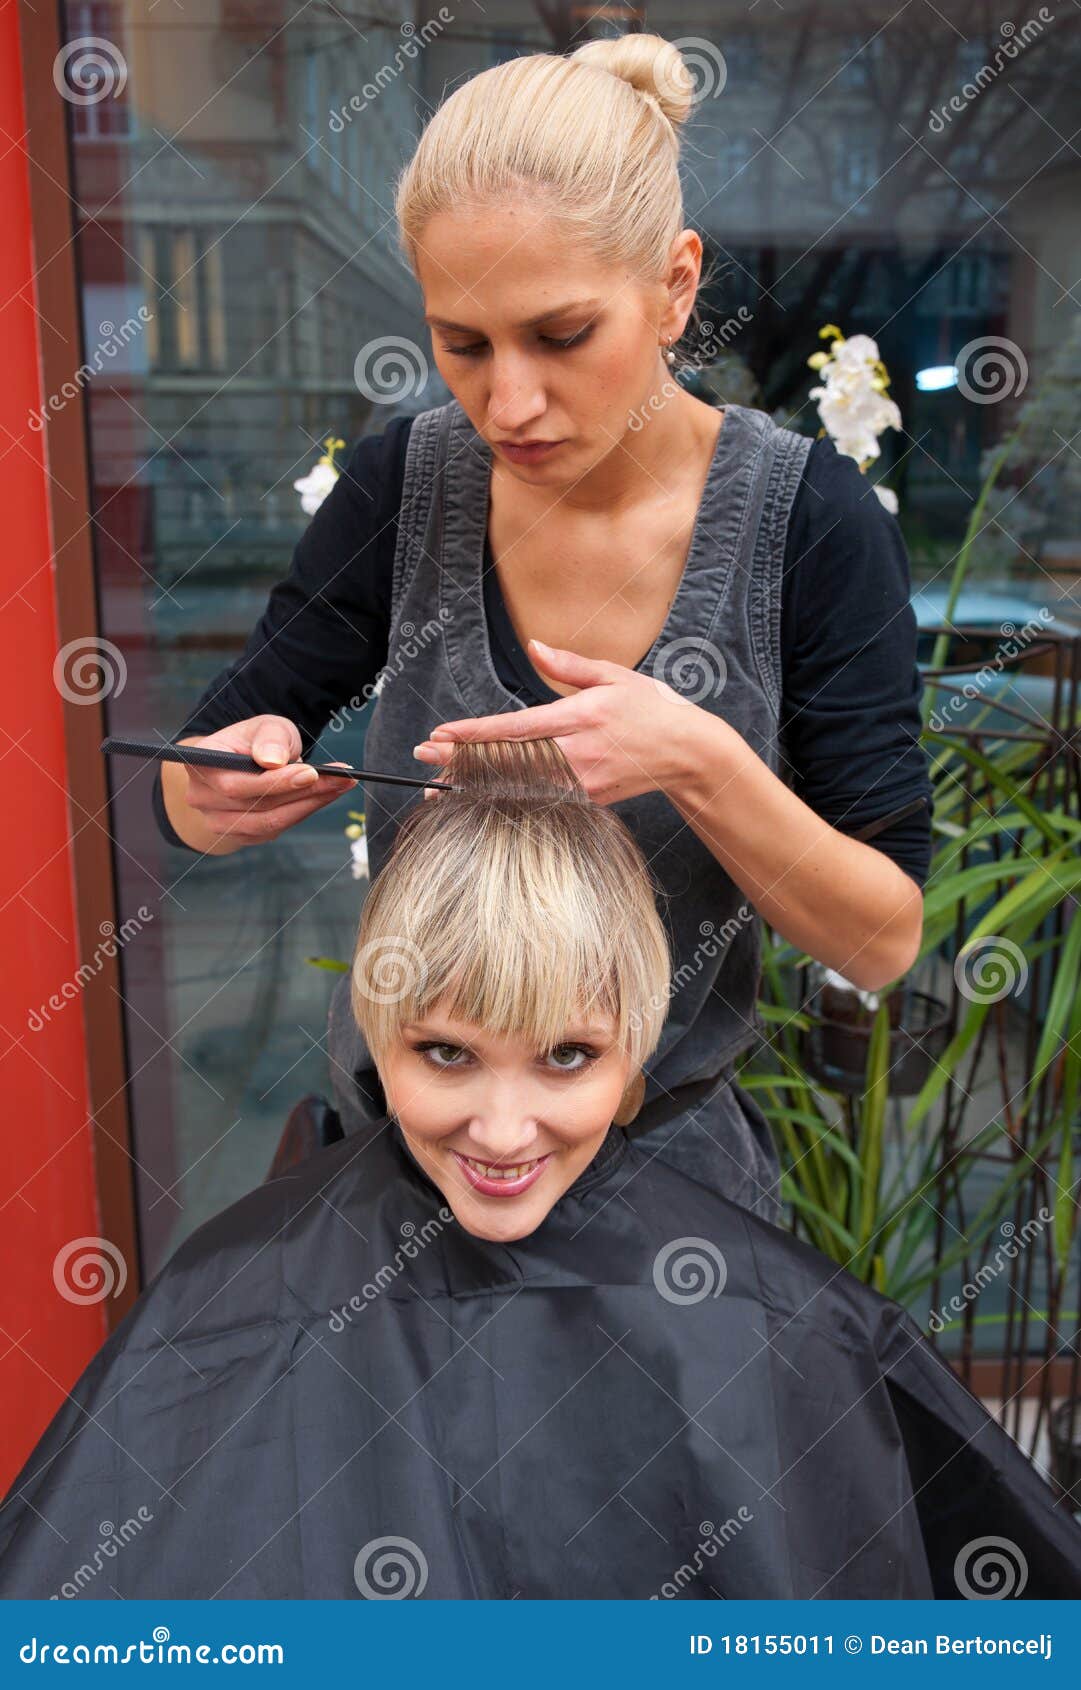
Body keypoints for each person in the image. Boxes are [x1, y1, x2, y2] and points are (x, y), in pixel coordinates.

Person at [153, 33, 933, 1223]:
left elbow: (880, 940)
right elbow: (195, 784)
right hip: (412, 1160)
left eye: (559, 336)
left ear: (675, 286)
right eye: (461, 344)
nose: (505, 402)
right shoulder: (401, 491)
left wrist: (698, 759)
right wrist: (215, 790)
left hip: (668, 1190)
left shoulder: (807, 526)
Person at [1, 740, 1076, 1601]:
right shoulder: (230, 1305)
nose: (504, 1131)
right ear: (376, 1027)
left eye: (566, 1055)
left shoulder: (781, 1326)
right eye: (445, 1053)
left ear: (637, 1045)